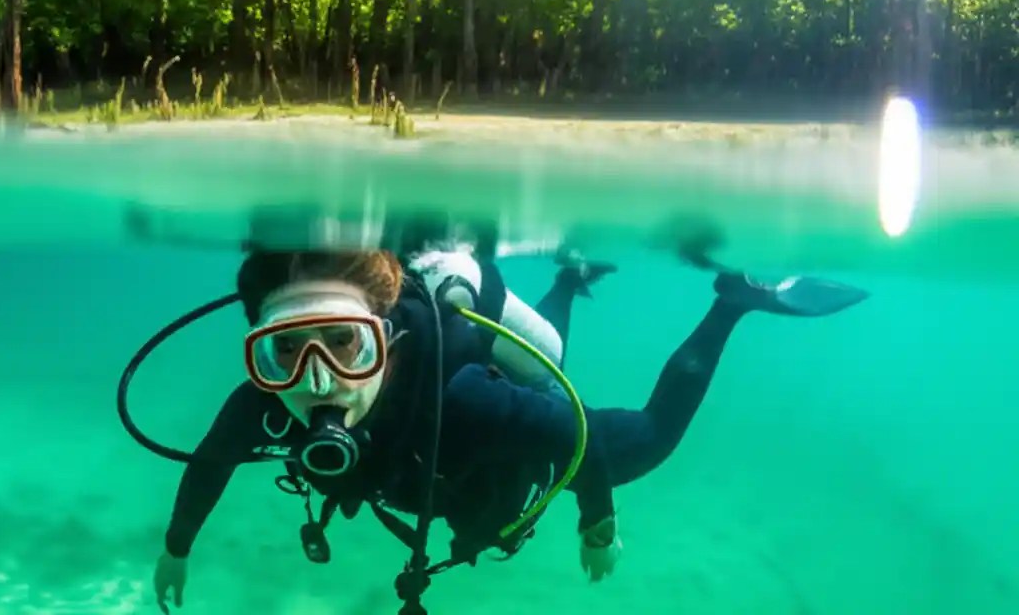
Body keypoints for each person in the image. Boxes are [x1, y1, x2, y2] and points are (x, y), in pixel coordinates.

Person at [149, 246, 867, 613]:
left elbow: (571, 434)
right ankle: (572, 277)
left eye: (344, 343)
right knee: (551, 337)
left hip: (510, 459)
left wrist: (597, 522)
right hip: (446, 480)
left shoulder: (469, 401)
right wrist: (177, 549)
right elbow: (209, 463)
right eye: (285, 350)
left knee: (651, 437)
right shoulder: (265, 405)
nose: (315, 378)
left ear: (385, 342)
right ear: (261, 356)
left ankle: (733, 304)